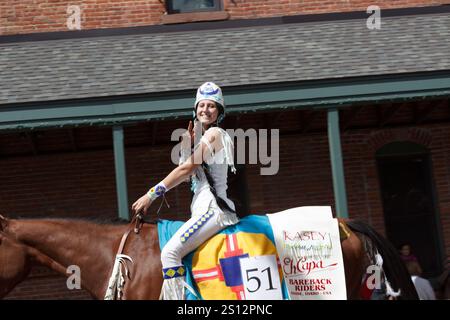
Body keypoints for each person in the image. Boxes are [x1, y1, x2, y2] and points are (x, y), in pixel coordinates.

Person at [131, 82, 239, 300]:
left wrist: (151, 194)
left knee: (170, 253)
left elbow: (187, 168)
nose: (205, 110)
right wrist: (187, 145)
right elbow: (188, 175)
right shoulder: (203, 138)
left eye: (211, 106)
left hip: (213, 210)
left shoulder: (215, 134)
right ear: (195, 108)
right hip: (202, 210)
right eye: (202, 105)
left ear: (219, 112)